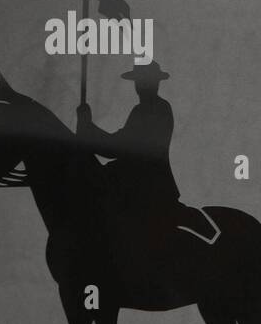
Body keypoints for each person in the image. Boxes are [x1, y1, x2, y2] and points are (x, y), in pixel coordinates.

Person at [76, 60, 217, 250]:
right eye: (138, 82)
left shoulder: (156, 109)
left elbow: (120, 147)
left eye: (143, 81)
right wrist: (87, 128)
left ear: (154, 83)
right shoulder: (142, 110)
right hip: (133, 180)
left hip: (146, 184)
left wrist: (87, 128)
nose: (139, 86)